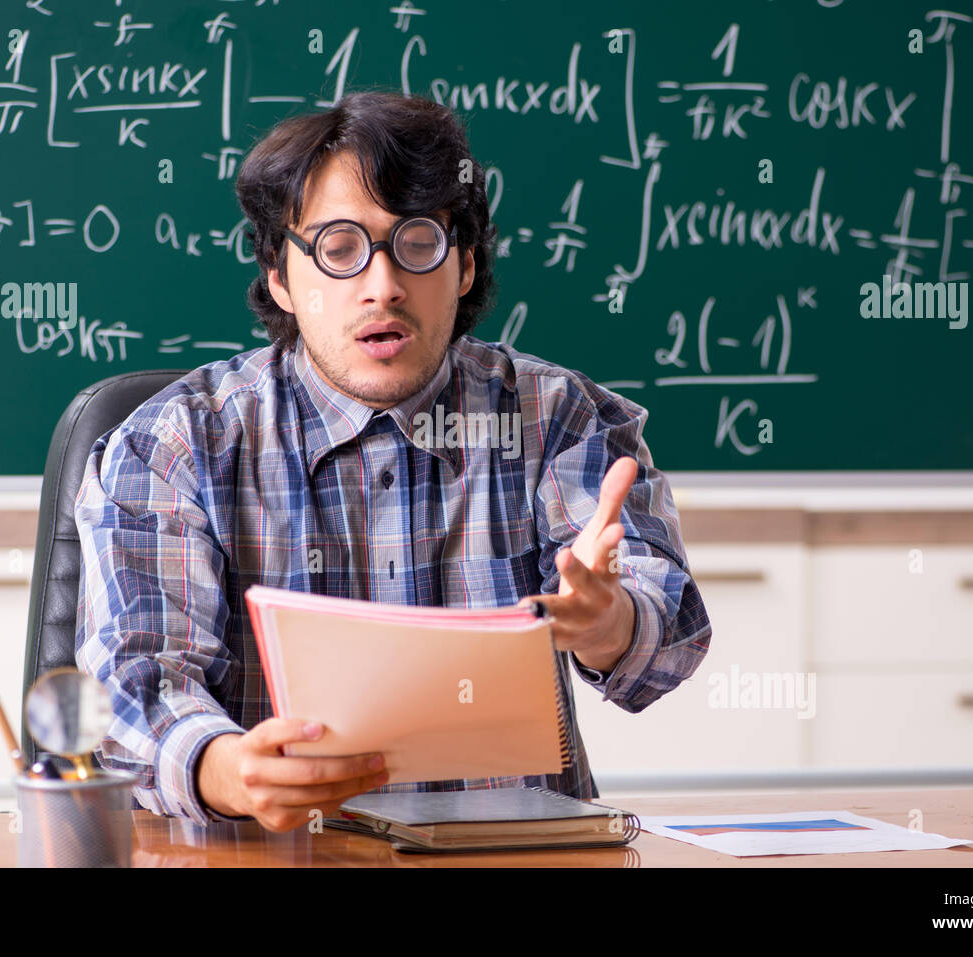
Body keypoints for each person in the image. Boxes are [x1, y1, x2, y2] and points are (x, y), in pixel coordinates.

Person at [74, 90, 711, 833]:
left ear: (465, 265)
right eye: (340, 249)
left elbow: (668, 642)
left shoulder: (558, 419)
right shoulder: (175, 441)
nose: (382, 286)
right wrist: (227, 769)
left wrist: (606, 622)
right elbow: (131, 686)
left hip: (505, 858)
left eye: (416, 244)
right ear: (281, 274)